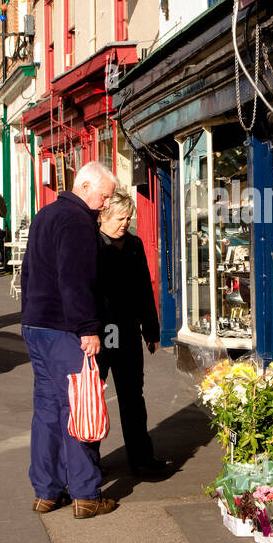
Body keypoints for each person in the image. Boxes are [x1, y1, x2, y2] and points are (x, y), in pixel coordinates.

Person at [20, 161, 119, 519]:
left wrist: (28, 315)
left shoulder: (45, 215)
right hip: (65, 329)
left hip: (37, 325)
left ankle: (46, 492)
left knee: (48, 410)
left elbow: (28, 272)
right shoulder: (78, 221)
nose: (106, 205)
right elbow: (74, 280)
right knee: (81, 407)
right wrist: (88, 328)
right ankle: (85, 494)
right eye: (104, 197)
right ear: (85, 185)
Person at [96, 190, 170, 478]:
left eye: (129, 218)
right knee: (92, 397)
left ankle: (141, 457)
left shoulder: (135, 245)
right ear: (103, 216)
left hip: (126, 330)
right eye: (120, 218)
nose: (125, 223)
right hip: (98, 334)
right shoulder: (90, 243)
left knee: (132, 397)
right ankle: (88, 464)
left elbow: (143, 290)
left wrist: (151, 329)